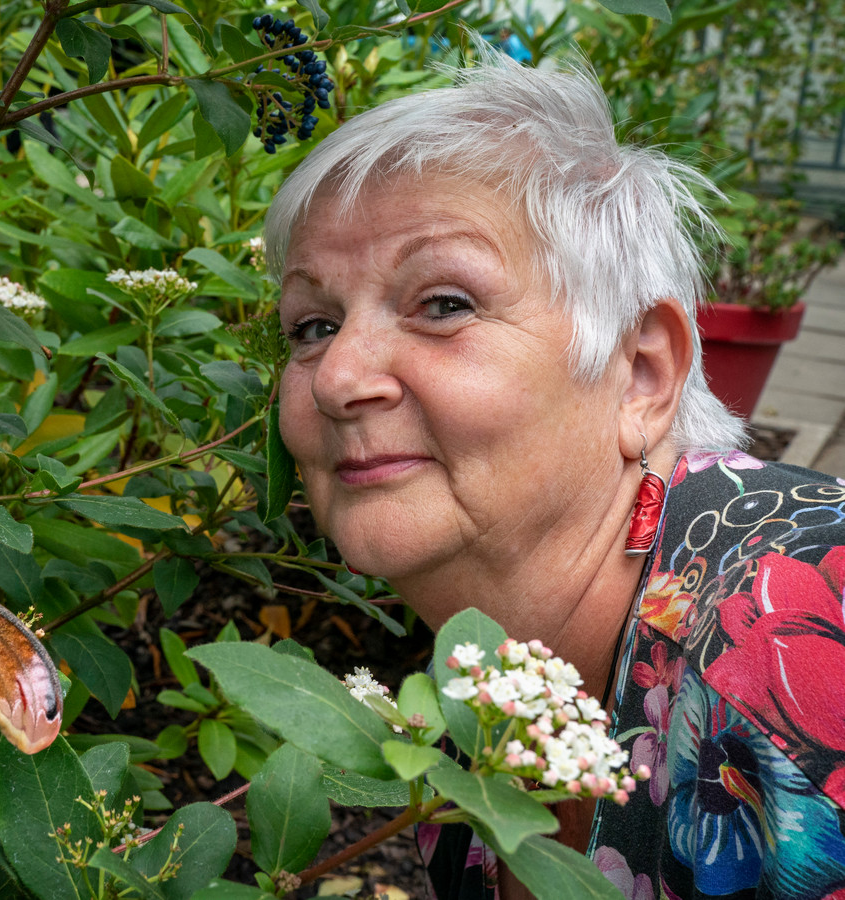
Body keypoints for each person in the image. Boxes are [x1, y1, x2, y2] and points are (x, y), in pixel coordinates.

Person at [263, 48, 845, 900]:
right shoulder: (484, 697)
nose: (340, 378)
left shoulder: (810, 621)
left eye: (444, 304)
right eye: (311, 324)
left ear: (641, 374)